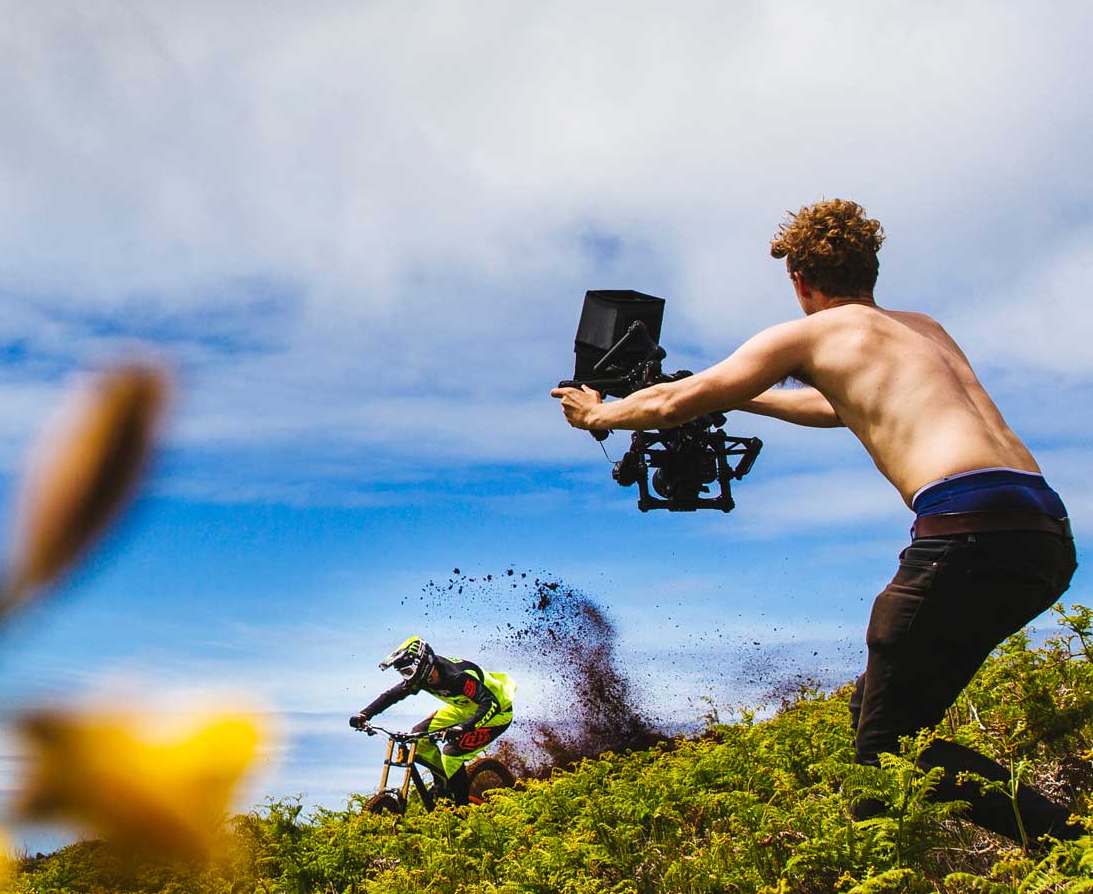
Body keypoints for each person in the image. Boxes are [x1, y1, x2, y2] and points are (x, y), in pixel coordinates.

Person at [550, 198, 1077, 842]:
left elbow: (671, 404)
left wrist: (598, 414)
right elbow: (839, 408)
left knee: (887, 752)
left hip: (967, 531)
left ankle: (1067, 844)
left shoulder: (806, 335)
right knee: (877, 715)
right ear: (870, 269)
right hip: (1043, 534)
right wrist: (748, 395)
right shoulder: (925, 329)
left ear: (799, 281)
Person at [349, 636, 515, 804]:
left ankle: (463, 809)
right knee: (418, 738)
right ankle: (444, 784)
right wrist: (365, 714)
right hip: (463, 708)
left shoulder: (456, 676)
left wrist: (463, 727)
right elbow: (392, 695)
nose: (406, 677)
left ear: (421, 665)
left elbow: (490, 703)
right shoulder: (423, 676)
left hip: (497, 712)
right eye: (403, 673)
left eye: (407, 672)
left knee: (451, 754)